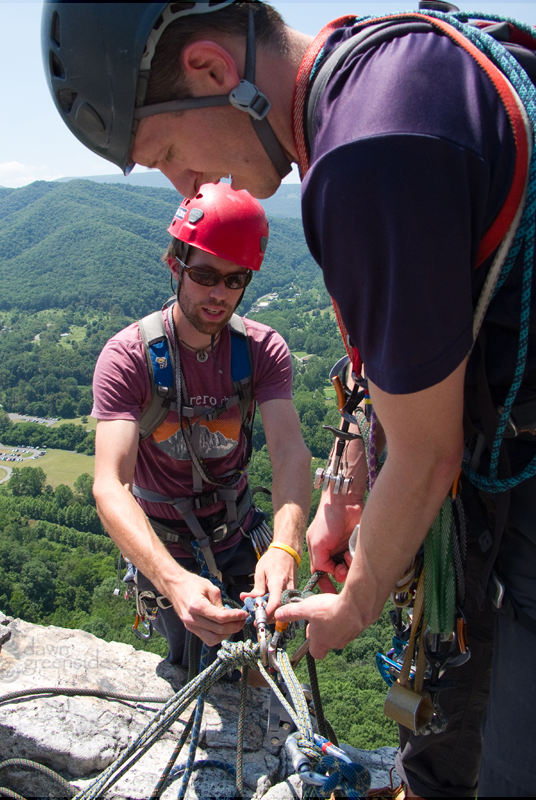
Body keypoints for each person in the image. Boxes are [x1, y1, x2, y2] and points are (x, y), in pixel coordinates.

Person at [42, 3, 536, 796]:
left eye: (170, 152)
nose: (189, 182)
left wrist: (354, 601)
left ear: (213, 70)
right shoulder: (378, 66)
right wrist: (346, 492)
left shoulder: (368, 149)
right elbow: (396, 367)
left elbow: (424, 453)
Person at [91, 181, 311, 676]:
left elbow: (291, 454)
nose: (219, 294)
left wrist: (285, 546)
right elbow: (110, 484)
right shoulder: (129, 359)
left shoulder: (261, 350)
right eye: (206, 275)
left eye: (235, 280)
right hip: (165, 545)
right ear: (176, 265)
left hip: (239, 536)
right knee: (193, 670)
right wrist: (172, 582)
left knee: (262, 670)